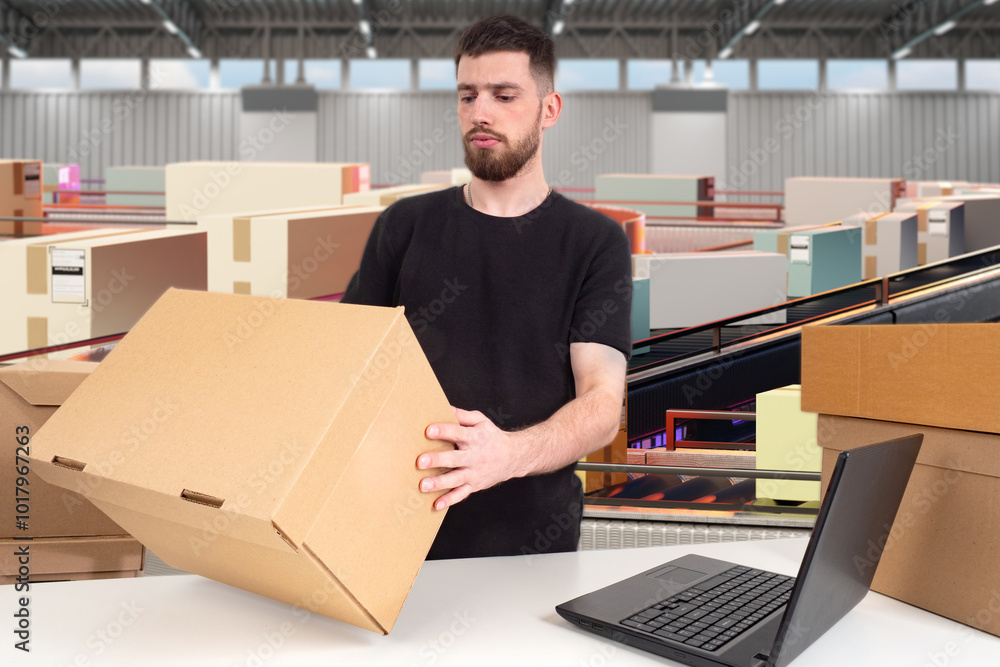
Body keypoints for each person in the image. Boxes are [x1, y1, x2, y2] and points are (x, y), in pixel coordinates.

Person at [341, 14, 633, 559]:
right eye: (468, 95)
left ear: (549, 110)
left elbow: (601, 403)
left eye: (503, 95)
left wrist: (507, 455)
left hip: (529, 542)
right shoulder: (404, 225)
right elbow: (349, 361)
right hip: (394, 531)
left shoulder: (594, 242)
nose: (481, 113)